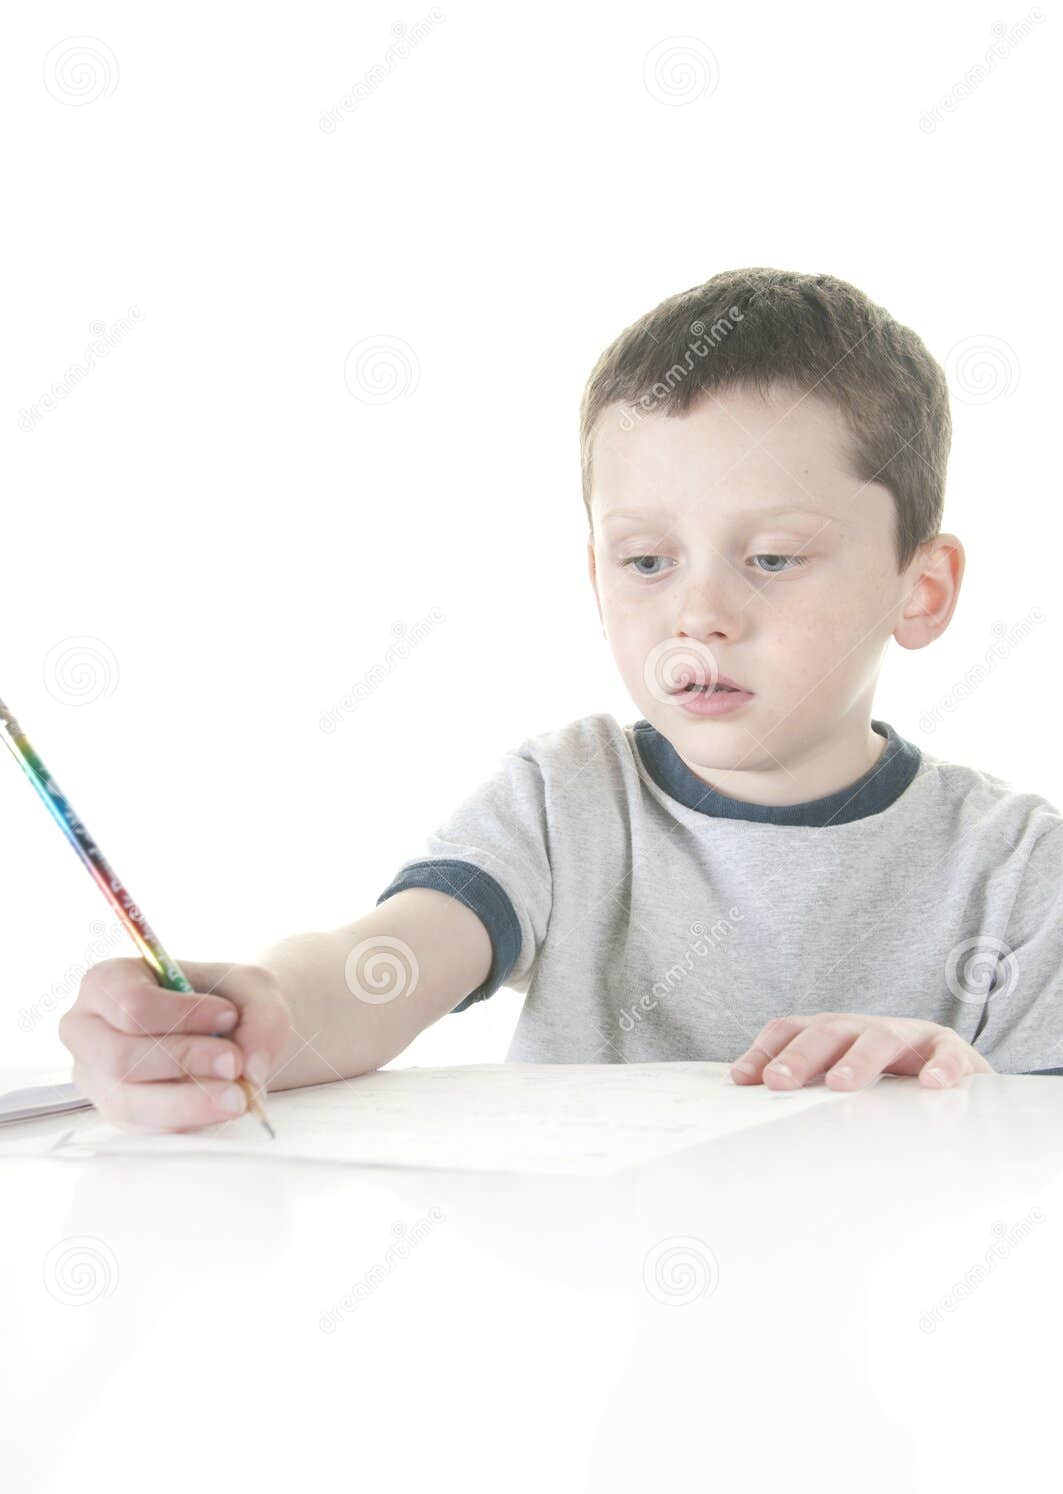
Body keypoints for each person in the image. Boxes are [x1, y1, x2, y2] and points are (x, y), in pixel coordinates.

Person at [59, 268, 1063, 1131]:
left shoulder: (1017, 871)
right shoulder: (563, 801)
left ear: (918, 588)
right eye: (645, 559)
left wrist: (964, 1087)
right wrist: (259, 1009)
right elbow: (381, 965)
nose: (698, 612)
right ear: (596, 578)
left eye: (771, 557)